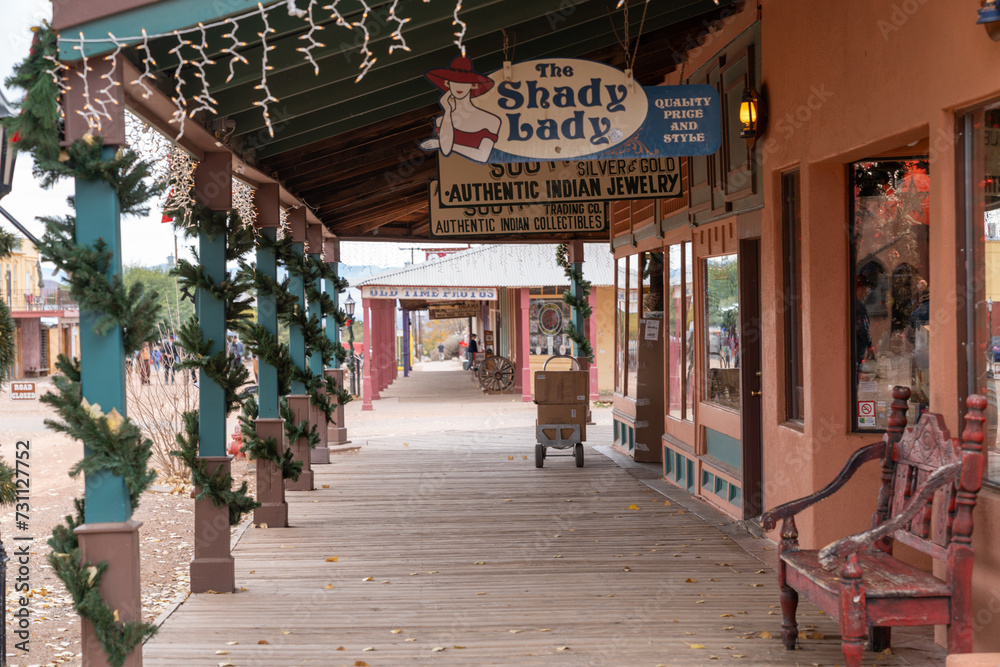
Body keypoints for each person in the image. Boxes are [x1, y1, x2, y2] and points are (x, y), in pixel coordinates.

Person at [419, 55, 501, 164]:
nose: (459, 86)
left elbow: (482, 156)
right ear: (447, 84)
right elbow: (446, 150)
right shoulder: (442, 121)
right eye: (454, 81)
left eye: (464, 81)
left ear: (472, 85)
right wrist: (447, 111)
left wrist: (440, 143)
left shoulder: (492, 121)